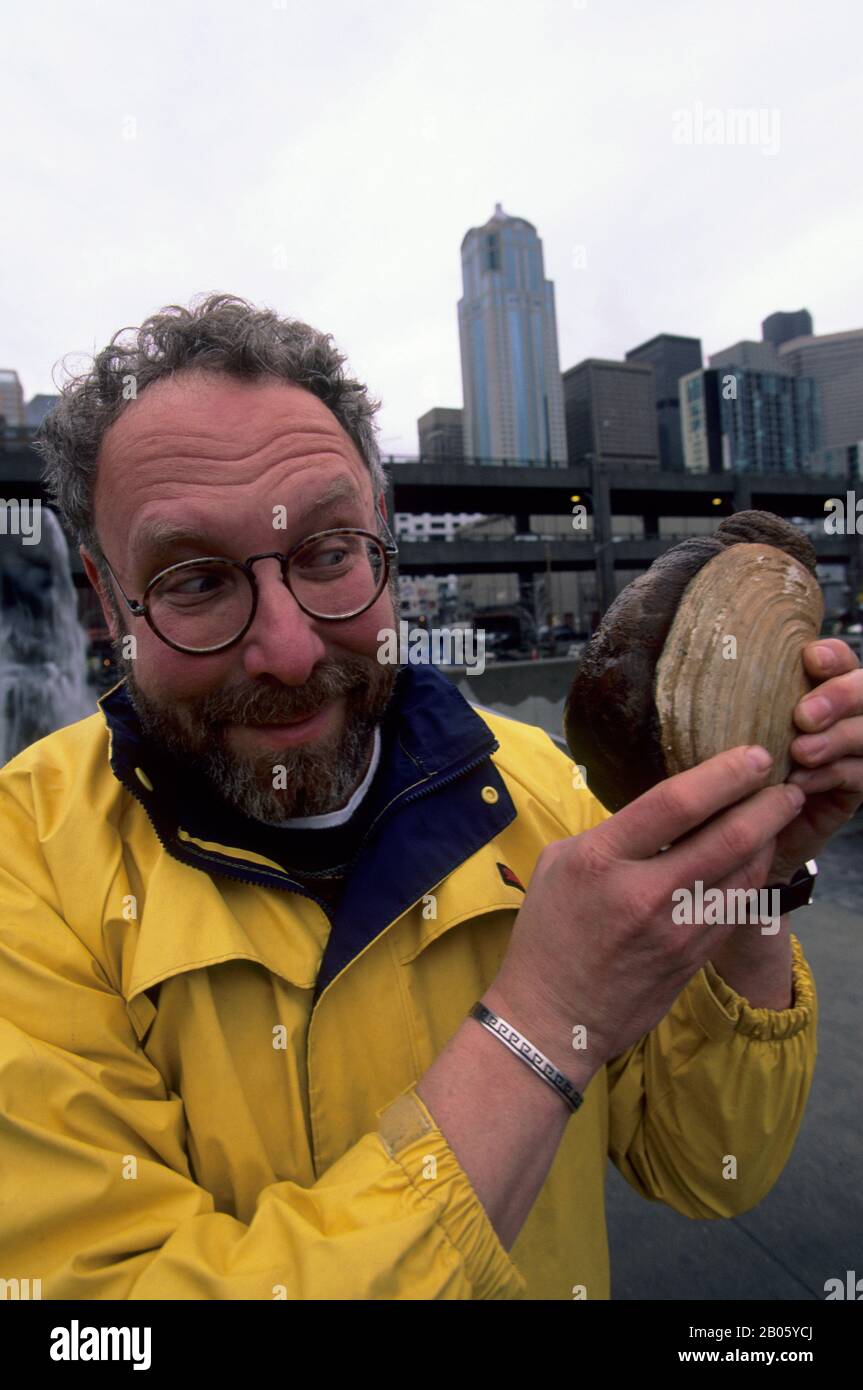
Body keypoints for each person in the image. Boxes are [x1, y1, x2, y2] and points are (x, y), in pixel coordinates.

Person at [1, 294, 861, 1301]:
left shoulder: (539, 784)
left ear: (383, 545)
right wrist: (539, 1023)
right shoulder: (26, 864)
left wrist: (744, 882)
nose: (285, 648)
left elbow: (706, 1160)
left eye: (326, 554)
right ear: (110, 602)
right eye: (195, 580)